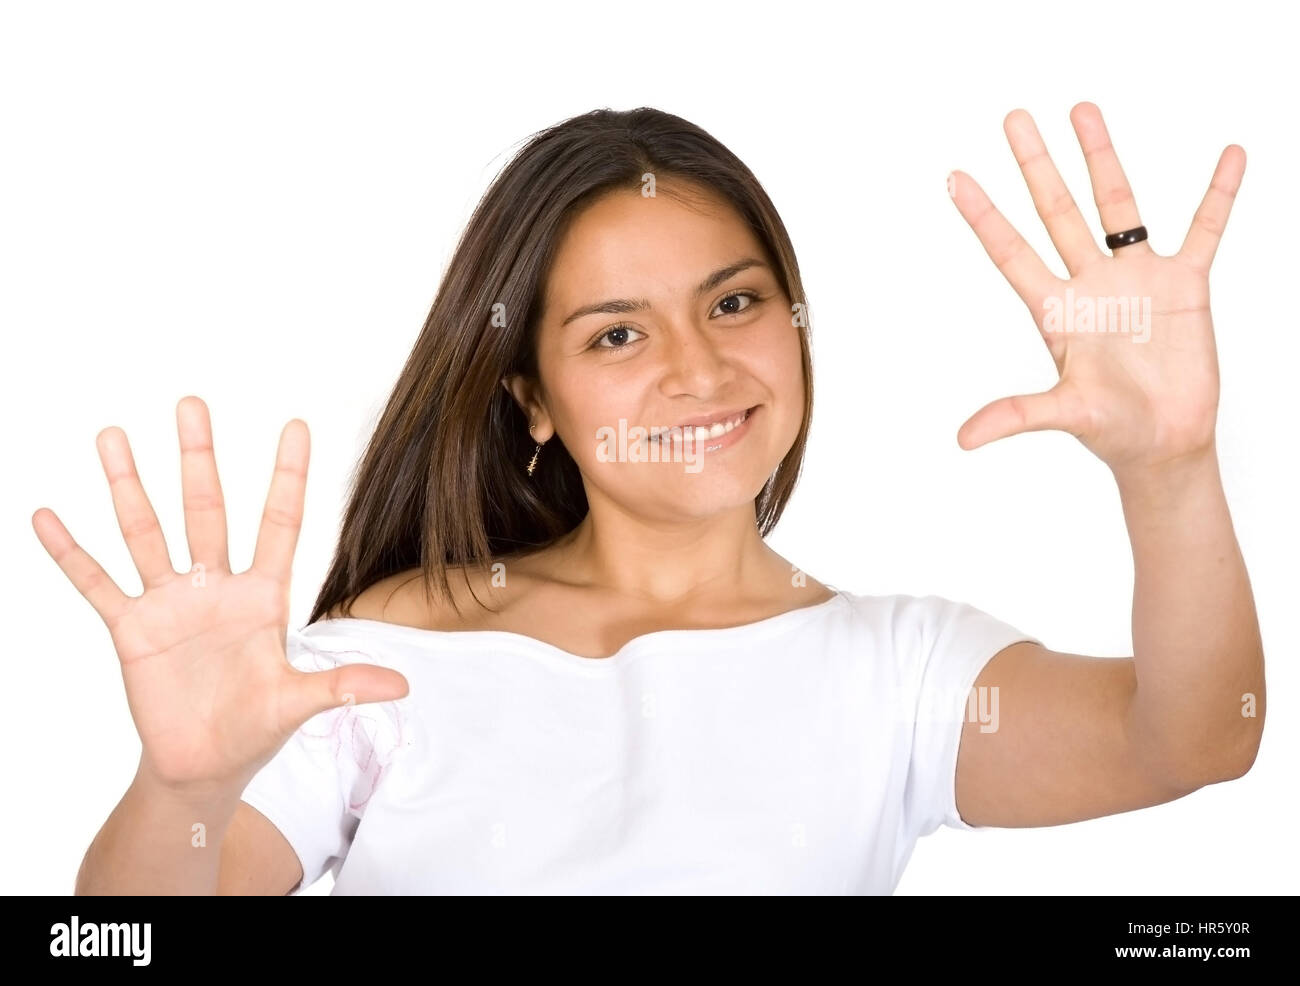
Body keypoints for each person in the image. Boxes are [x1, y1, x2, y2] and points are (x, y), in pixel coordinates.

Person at [40, 104, 1265, 895]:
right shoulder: (382, 662)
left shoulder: (895, 674)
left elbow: (1197, 736)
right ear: (531, 395)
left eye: (733, 302)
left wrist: (1169, 470)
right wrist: (184, 793)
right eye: (617, 332)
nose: (697, 366)